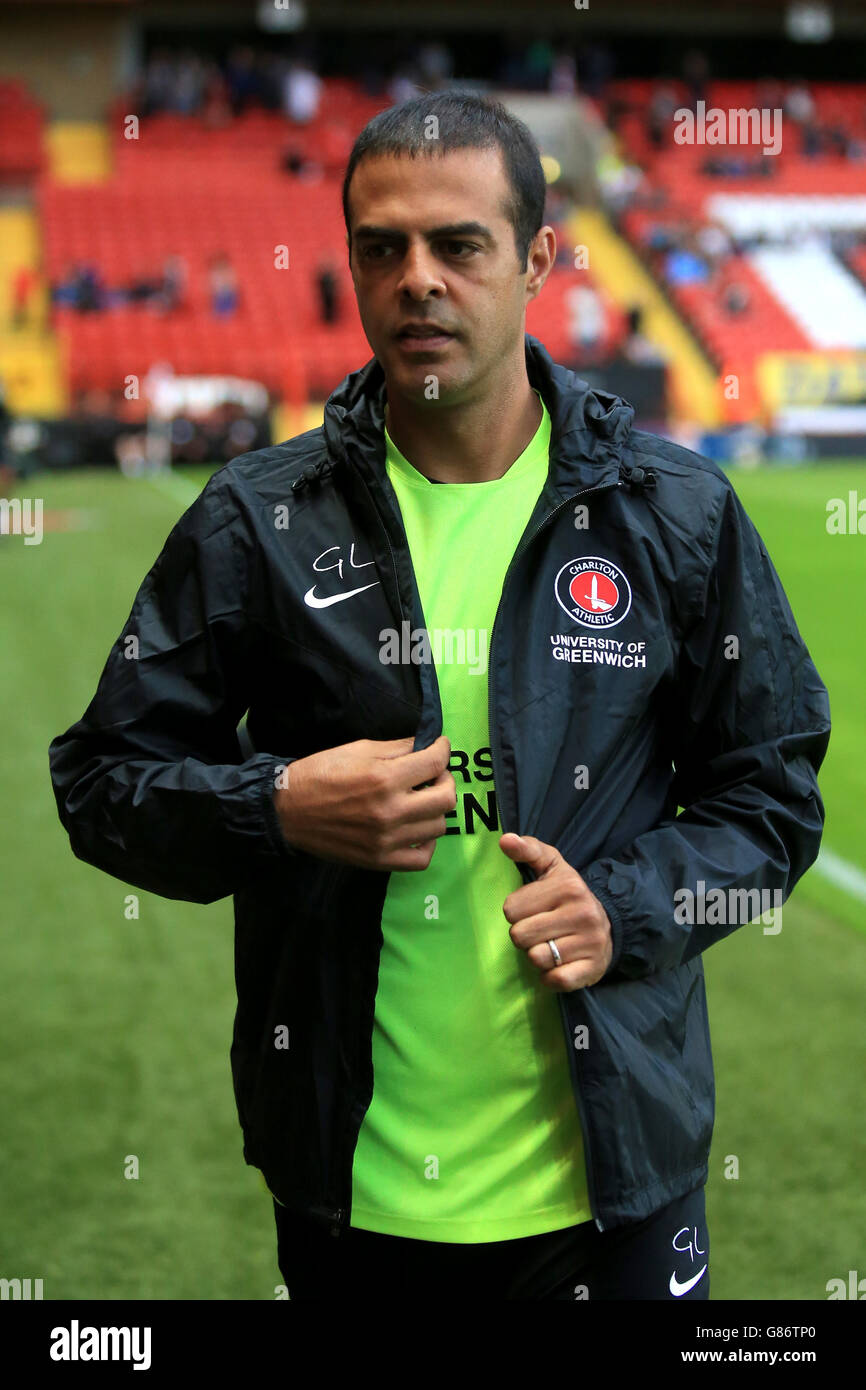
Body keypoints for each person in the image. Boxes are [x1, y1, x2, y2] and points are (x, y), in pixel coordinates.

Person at [48, 92, 830, 1302]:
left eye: (457, 245)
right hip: (352, 1200)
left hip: (613, 1195)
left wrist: (627, 904)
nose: (417, 279)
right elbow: (102, 784)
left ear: (536, 260)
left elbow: (770, 796)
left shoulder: (674, 516)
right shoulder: (257, 522)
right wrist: (280, 804)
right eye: (381, 247)